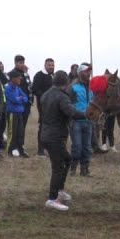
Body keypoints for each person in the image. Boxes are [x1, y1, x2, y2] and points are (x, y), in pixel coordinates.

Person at [39, 71, 85, 211]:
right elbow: (71, 112)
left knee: (67, 160)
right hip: (55, 136)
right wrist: (86, 114)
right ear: (65, 83)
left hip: (46, 134)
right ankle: (52, 199)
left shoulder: (45, 95)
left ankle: (60, 191)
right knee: (58, 167)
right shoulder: (62, 97)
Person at [68, 64, 93, 176]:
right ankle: (73, 168)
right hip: (76, 121)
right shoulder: (73, 87)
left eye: (89, 71)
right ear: (80, 72)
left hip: (88, 121)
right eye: (86, 71)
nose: (89, 73)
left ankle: (85, 169)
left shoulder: (91, 87)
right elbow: (69, 104)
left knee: (87, 147)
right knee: (77, 147)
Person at [31, 57, 56, 156]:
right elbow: (35, 89)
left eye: (52, 65)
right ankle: (40, 149)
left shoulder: (54, 76)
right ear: (45, 65)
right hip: (44, 105)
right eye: (49, 65)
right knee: (43, 126)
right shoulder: (39, 75)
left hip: (54, 106)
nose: (51, 67)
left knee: (53, 127)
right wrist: (45, 98)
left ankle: (50, 147)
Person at [5, 70, 30, 158]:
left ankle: (20, 149)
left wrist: (20, 98)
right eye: (18, 78)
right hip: (12, 113)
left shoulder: (18, 88)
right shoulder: (8, 88)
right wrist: (20, 98)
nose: (20, 80)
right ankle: (11, 149)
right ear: (13, 79)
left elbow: (26, 98)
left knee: (20, 132)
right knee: (12, 132)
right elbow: (14, 100)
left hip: (20, 112)